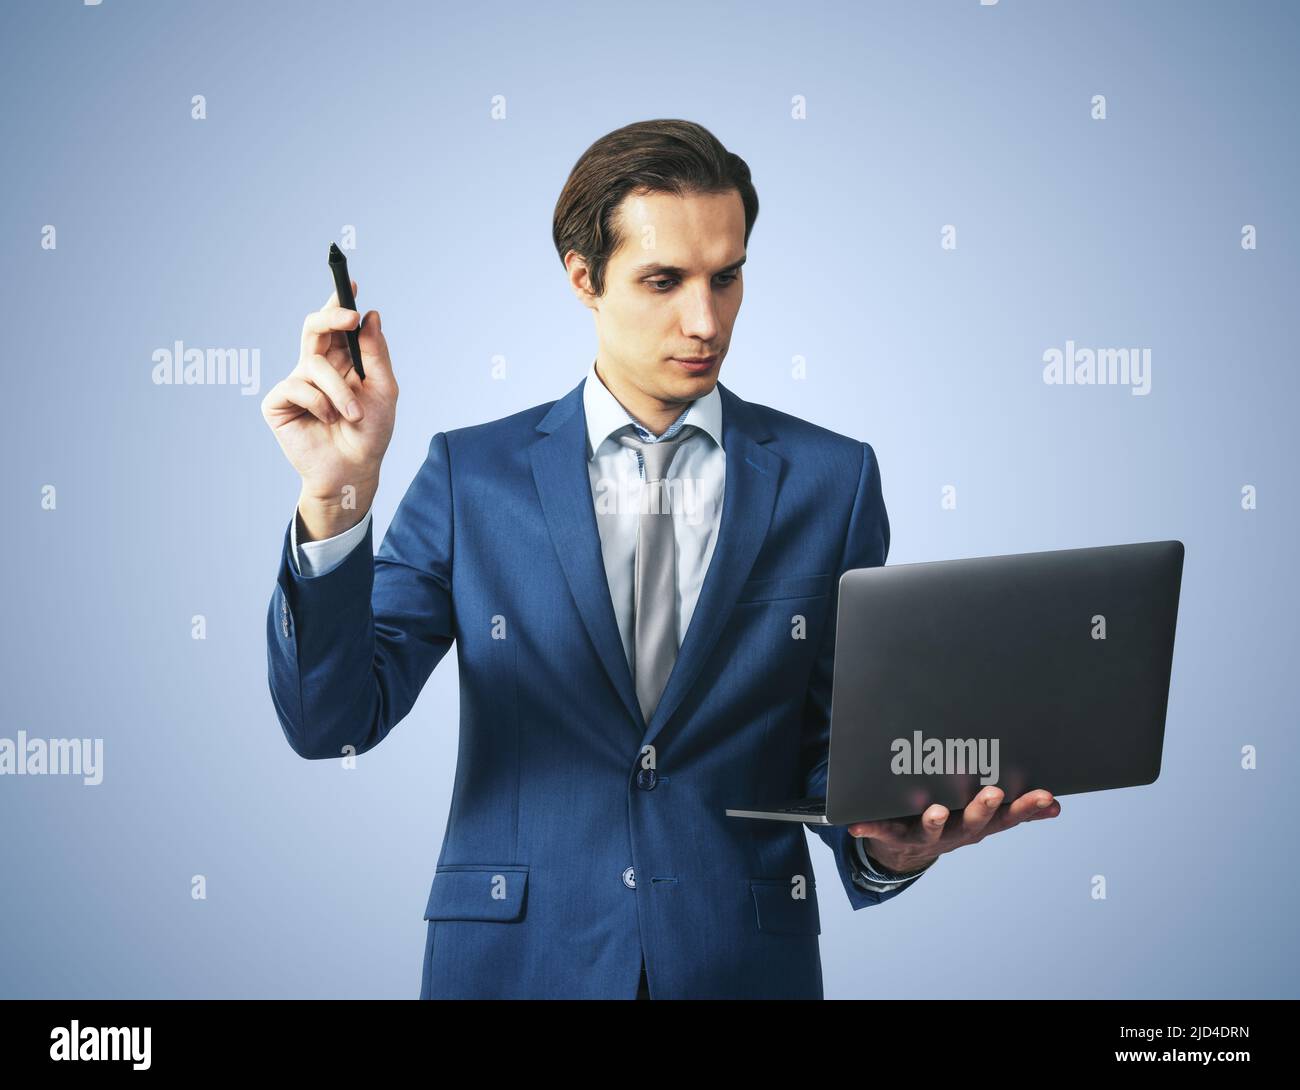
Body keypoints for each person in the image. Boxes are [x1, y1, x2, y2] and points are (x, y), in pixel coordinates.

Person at [261, 119, 1060, 1000]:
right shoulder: (470, 476)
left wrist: (885, 844)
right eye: (663, 280)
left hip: (742, 966)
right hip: (516, 967)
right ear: (583, 279)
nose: (704, 319)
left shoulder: (833, 480)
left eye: (727, 277)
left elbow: (831, 746)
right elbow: (330, 722)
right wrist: (336, 496)